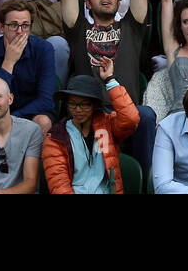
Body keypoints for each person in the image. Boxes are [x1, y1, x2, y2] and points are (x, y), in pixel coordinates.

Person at [56, 0, 154, 168]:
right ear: (87, 2)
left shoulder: (132, 26)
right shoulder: (77, 27)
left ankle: (144, 183)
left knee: (145, 115)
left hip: (124, 114)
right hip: (88, 112)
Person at [42, 63, 139, 194]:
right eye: (72, 104)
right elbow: (59, 187)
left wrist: (110, 80)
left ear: (94, 105)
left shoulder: (108, 125)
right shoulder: (55, 138)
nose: (78, 110)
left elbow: (131, 118)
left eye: (85, 105)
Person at [0, 0, 57, 132]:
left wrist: (12, 118)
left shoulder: (43, 49)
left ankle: (33, 154)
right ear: (1, 27)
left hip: (32, 112)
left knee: (43, 121)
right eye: (13, 25)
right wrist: (8, 62)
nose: (20, 31)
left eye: (25, 26)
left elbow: (46, 100)